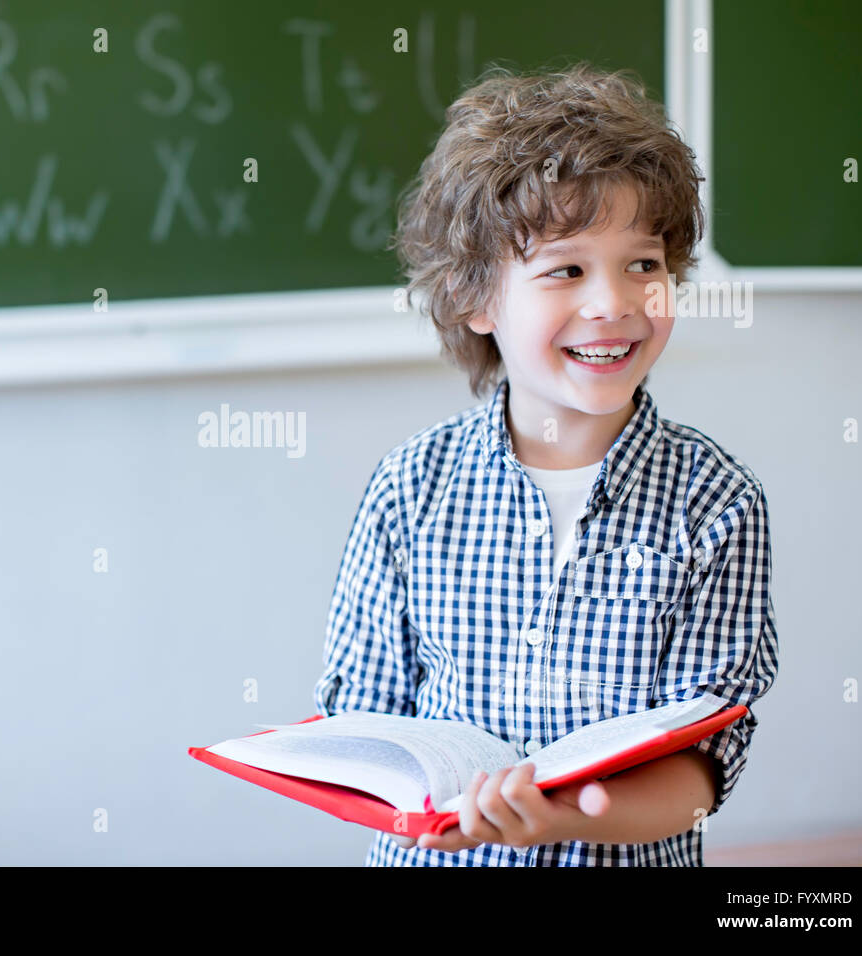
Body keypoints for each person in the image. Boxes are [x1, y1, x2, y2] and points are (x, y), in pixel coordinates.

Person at [313, 63, 779, 866]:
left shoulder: (717, 503)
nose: (614, 303)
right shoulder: (408, 490)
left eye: (643, 264)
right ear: (476, 298)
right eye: (566, 269)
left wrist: (565, 817)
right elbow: (365, 727)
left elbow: (702, 767)